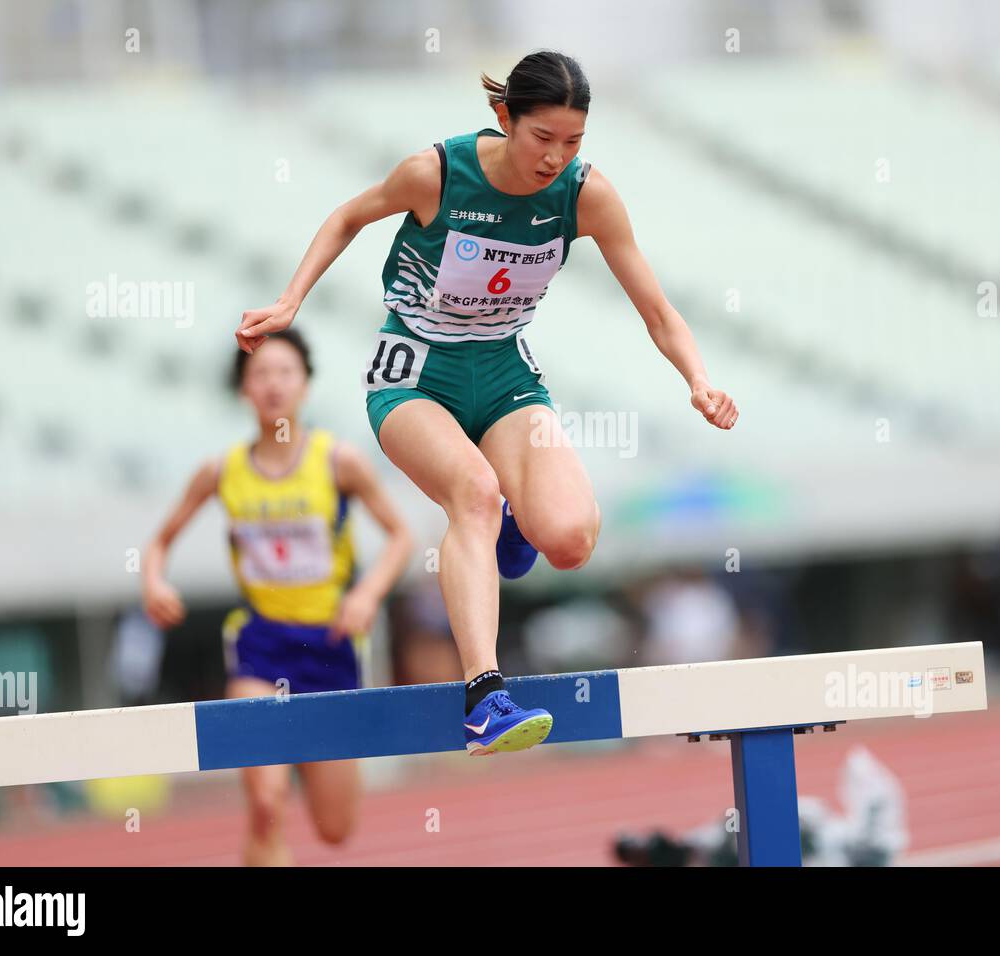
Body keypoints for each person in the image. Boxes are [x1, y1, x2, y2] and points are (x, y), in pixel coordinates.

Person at [234, 49, 737, 757]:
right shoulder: (437, 173)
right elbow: (349, 217)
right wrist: (291, 299)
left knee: (568, 539)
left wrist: (697, 378)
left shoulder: (587, 196)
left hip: (504, 374)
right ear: (504, 118)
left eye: (573, 143)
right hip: (415, 375)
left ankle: (512, 521)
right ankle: (484, 698)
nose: (556, 158)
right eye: (542, 139)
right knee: (471, 491)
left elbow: (656, 309)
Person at [141, 328, 412, 865]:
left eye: (285, 372)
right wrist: (153, 580)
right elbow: (159, 541)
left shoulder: (339, 462)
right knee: (265, 799)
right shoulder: (222, 472)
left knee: (336, 829)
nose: (273, 385)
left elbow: (402, 536)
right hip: (260, 644)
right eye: (260, 374)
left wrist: (367, 594)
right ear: (243, 389)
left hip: (330, 647)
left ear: (305, 385)